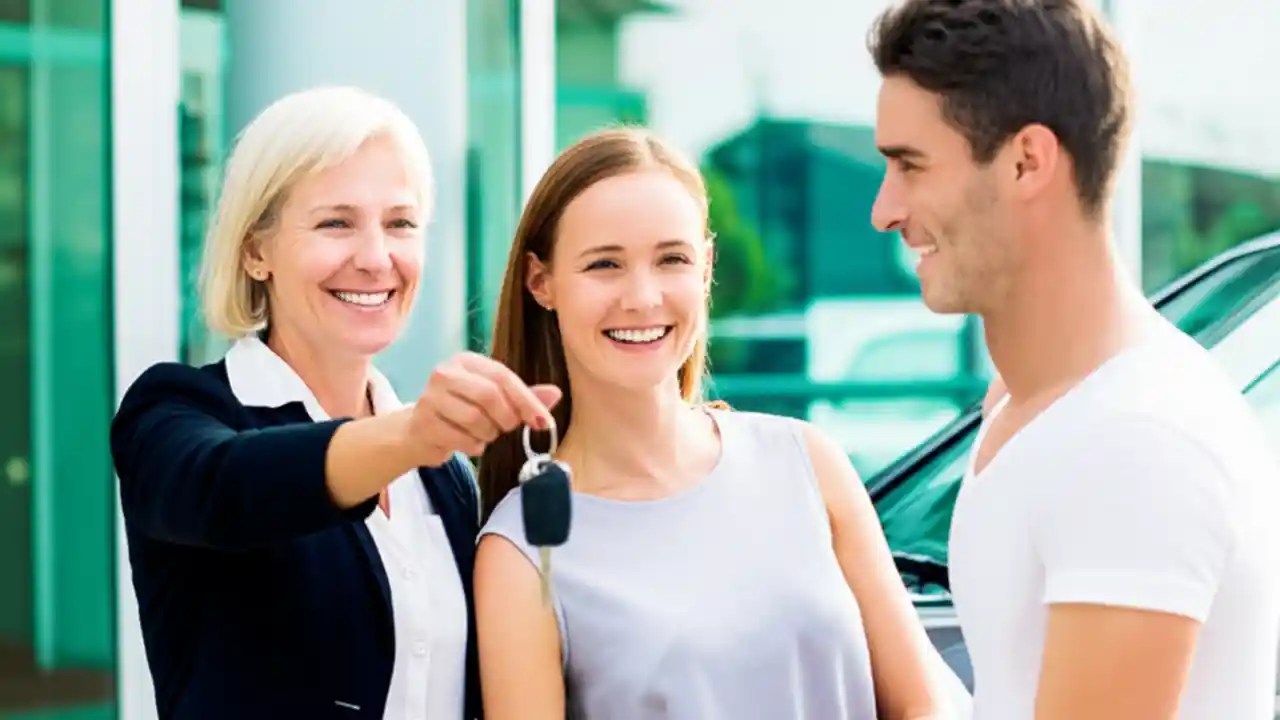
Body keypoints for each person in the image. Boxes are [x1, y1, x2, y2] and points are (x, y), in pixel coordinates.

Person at [867, 2, 1280, 718]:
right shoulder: (1028, 405)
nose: (884, 209)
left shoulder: (1137, 441)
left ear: (1028, 161)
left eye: (910, 165)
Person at [471, 127, 960, 720]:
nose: (643, 296)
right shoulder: (522, 551)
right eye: (604, 264)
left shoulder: (806, 462)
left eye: (670, 259)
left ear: (705, 269)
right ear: (541, 283)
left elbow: (922, 707)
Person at [110, 85, 559, 719]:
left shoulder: (444, 477)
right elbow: (224, 488)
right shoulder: (178, 410)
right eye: (335, 222)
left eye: (400, 223)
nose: (376, 258)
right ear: (254, 250)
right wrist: (409, 436)